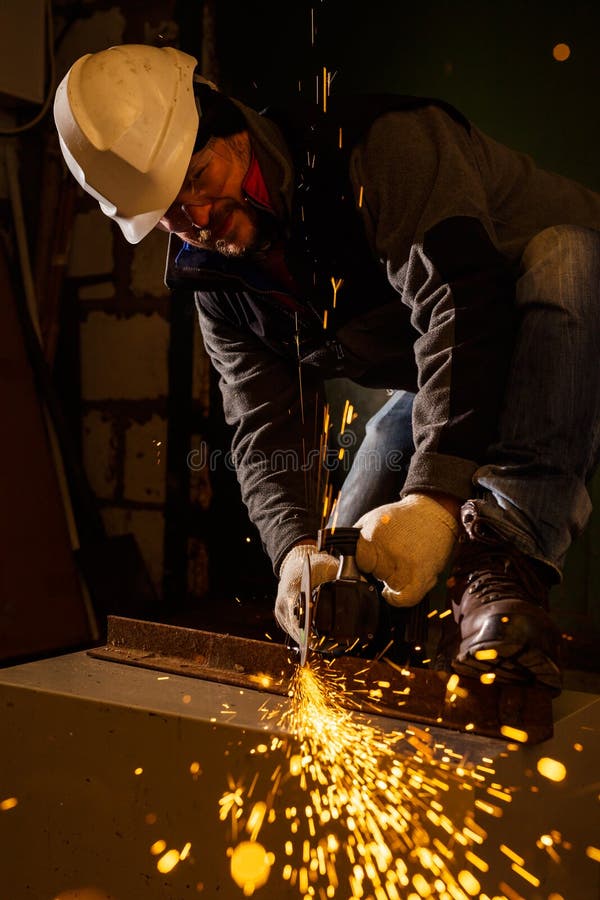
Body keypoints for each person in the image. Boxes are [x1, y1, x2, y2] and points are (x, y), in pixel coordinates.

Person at [54, 43, 600, 692]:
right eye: (169, 212)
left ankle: (505, 578)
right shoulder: (217, 286)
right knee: (347, 569)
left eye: (196, 179)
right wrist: (295, 553)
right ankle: (393, 652)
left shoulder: (380, 149)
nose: (194, 220)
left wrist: (435, 500)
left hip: (571, 327)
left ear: (232, 129)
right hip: (454, 375)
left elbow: (462, 307)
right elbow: (261, 427)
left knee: (571, 256)